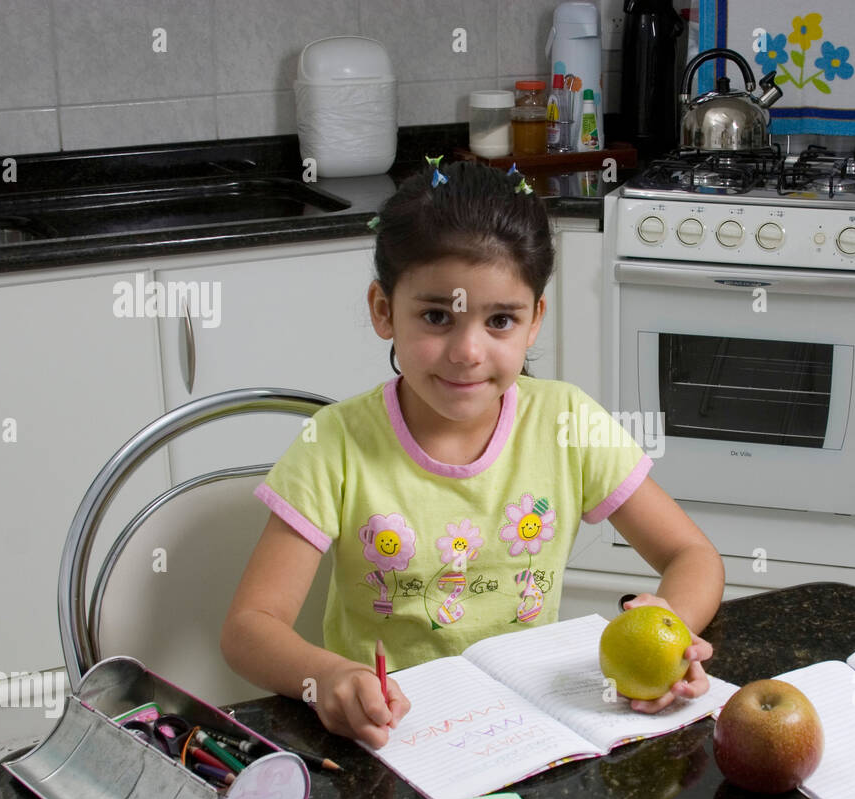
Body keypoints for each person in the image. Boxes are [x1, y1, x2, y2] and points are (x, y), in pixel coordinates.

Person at [221, 160, 724, 748]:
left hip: (528, 728)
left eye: (500, 320)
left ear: (535, 320)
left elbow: (692, 555)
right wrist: (326, 675)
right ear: (384, 310)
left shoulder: (567, 423)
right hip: (388, 739)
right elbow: (248, 629)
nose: (466, 351)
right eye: (437, 316)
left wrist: (671, 631)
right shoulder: (333, 444)